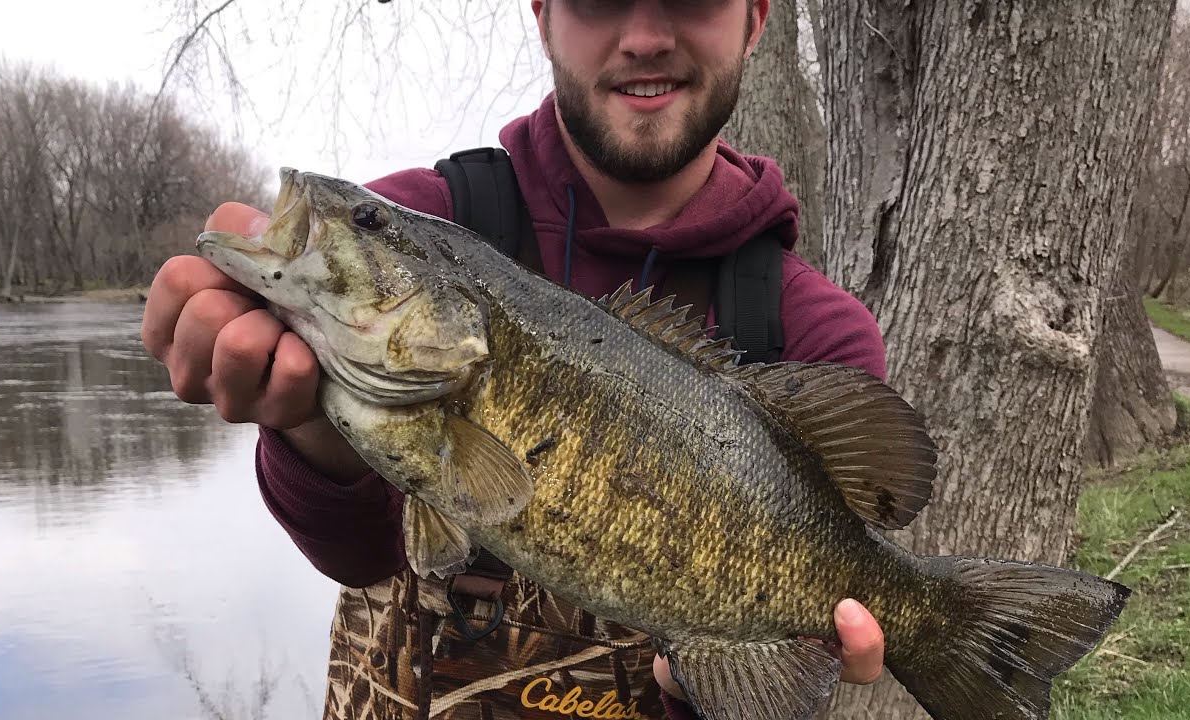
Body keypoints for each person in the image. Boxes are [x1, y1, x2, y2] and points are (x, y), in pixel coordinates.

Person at [142, 1, 888, 717]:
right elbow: (361, 556)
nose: (646, 35)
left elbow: (784, 674)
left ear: (756, 17)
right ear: (543, 15)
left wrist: (704, 691)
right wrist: (307, 424)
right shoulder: (426, 219)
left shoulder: (813, 332)